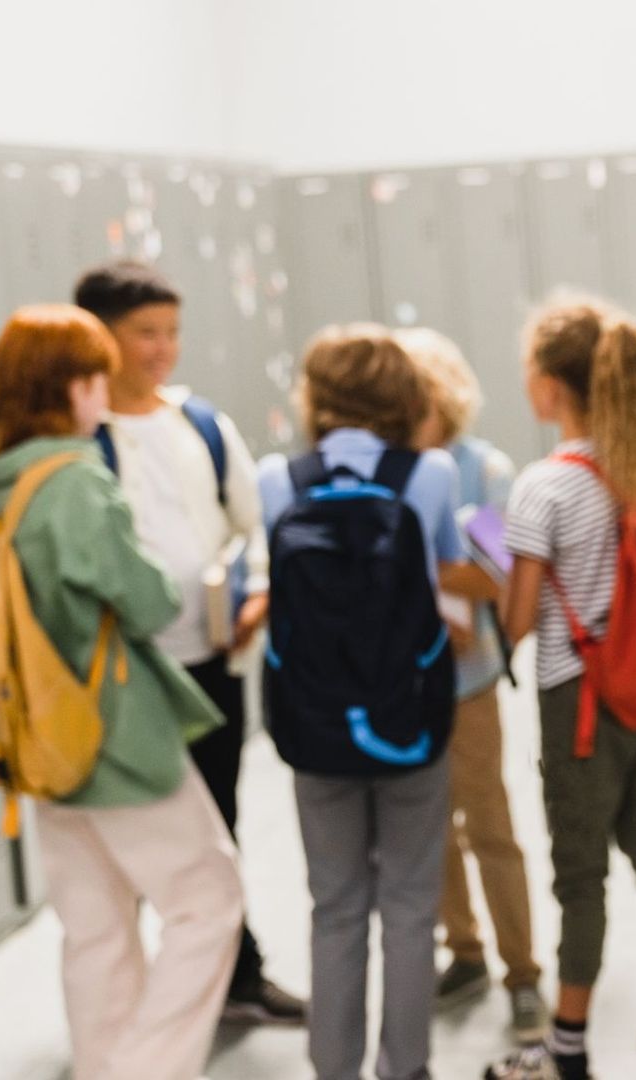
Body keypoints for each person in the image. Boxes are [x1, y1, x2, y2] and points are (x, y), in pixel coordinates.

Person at [0, 304, 243, 1080]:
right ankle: (144, 1069)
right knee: (208, 900)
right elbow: (150, 601)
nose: (106, 389)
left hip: (42, 731)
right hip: (114, 730)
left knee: (94, 928)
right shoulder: (78, 485)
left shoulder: (0, 479)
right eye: (96, 374)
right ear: (71, 387)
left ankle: (104, 1066)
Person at [486, 296, 636, 1080]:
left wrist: (481, 576)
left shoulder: (543, 488)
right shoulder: (634, 476)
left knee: (580, 878)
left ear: (551, 386)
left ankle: (568, 1049)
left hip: (576, 703)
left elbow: (516, 622)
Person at [71, 260, 305, 1026]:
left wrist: (261, 589)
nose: (163, 349)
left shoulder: (199, 424)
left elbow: (252, 524)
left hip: (207, 665)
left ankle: (238, 977)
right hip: (120, 678)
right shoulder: (77, 439)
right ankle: (141, 997)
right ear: (98, 335)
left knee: (217, 829)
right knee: (127, 844)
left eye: (171, 332)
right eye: (146, 333)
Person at [258, 324, 490, 1080]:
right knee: (411, 905)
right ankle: (406, 1069)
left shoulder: (277, 483)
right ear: (400, 395)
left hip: (313, 722)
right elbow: (447, 577)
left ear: (316, 398)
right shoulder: (428, 477)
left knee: (335, 907)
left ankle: (333, 1070)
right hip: (408, 721)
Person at [398, 327, 549, 1044]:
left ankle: (522, 974)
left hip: (468, 682)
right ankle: (463, 953)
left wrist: (415, 569)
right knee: (429, 830)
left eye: (420, 391)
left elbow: (496, 576)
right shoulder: (385, 471)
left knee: (489, 826)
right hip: (402, 681)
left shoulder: (482, 470)